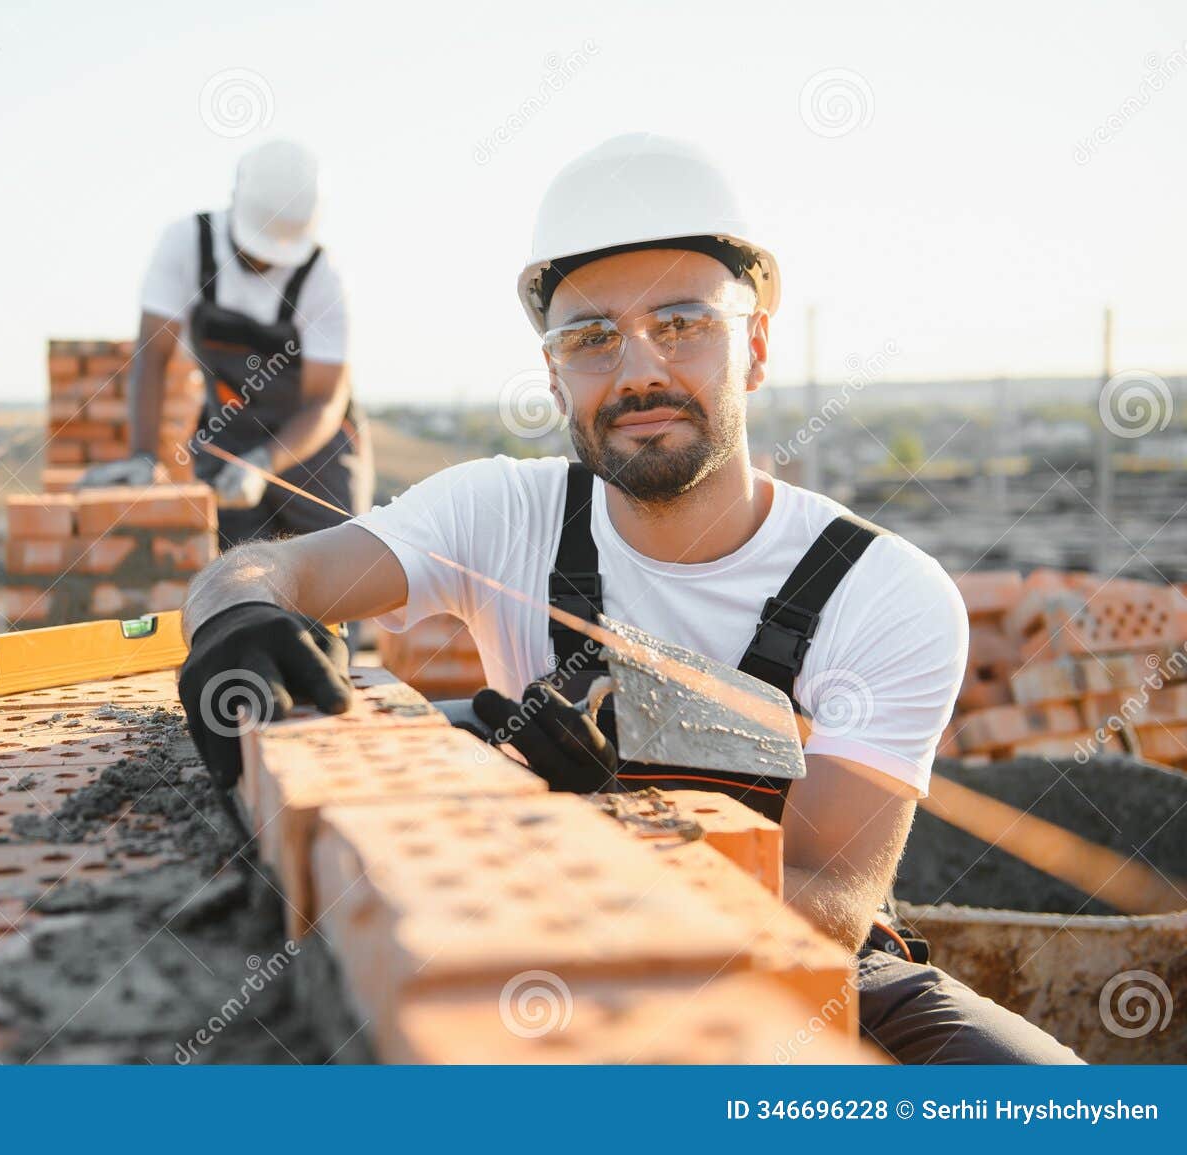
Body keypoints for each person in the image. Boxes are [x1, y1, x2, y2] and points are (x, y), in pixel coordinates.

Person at [172, 133, 1082, 1064]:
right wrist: (239, 615)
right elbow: (270, 569)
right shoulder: (504, 512)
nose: (639, 369)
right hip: (543, 958)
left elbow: (833, 907)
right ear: (556, 372)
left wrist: (608, 829)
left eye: (682, 323)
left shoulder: (882, 590)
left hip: (811, 980)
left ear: (756, 347)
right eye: (592, 338)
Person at [83, 138, 372, 551]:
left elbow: (324, 400)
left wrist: (265, 464)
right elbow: (153, 356)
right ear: (235, 198)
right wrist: (143, 455)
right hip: (230, 435)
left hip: (312, 447)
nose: (262, 263)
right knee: (237, 584)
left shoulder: (323, 278)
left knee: (336, 577)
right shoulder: (187, 244)